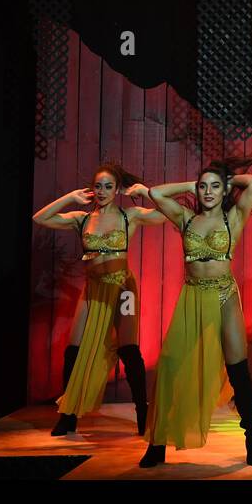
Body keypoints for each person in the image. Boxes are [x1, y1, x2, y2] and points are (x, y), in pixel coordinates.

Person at [137, 161, 252, 467]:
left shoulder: (233, 218)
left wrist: (227, 178)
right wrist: (188, 185)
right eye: (203, 186)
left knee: (238, 371)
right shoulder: (185, 218)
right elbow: (155, 192)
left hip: (224, 297)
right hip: (193, 296)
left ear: (224, 192)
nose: (208, 192)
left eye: (215, 187)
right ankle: (157, 443)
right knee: (169, 366)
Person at [32, 163, 166, 436]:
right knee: (74, 349)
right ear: (92, 189)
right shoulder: (81, 219)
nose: (102, 191)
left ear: (117, 189)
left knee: (128, 349)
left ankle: (143, 410)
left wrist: (146, 192)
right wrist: (70, 198)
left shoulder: (131, 216)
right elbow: (39, 218)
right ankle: (68, 415)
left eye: (108, 186)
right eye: (98, 186)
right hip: (93, 287)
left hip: (122, 288)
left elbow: (168, 215)